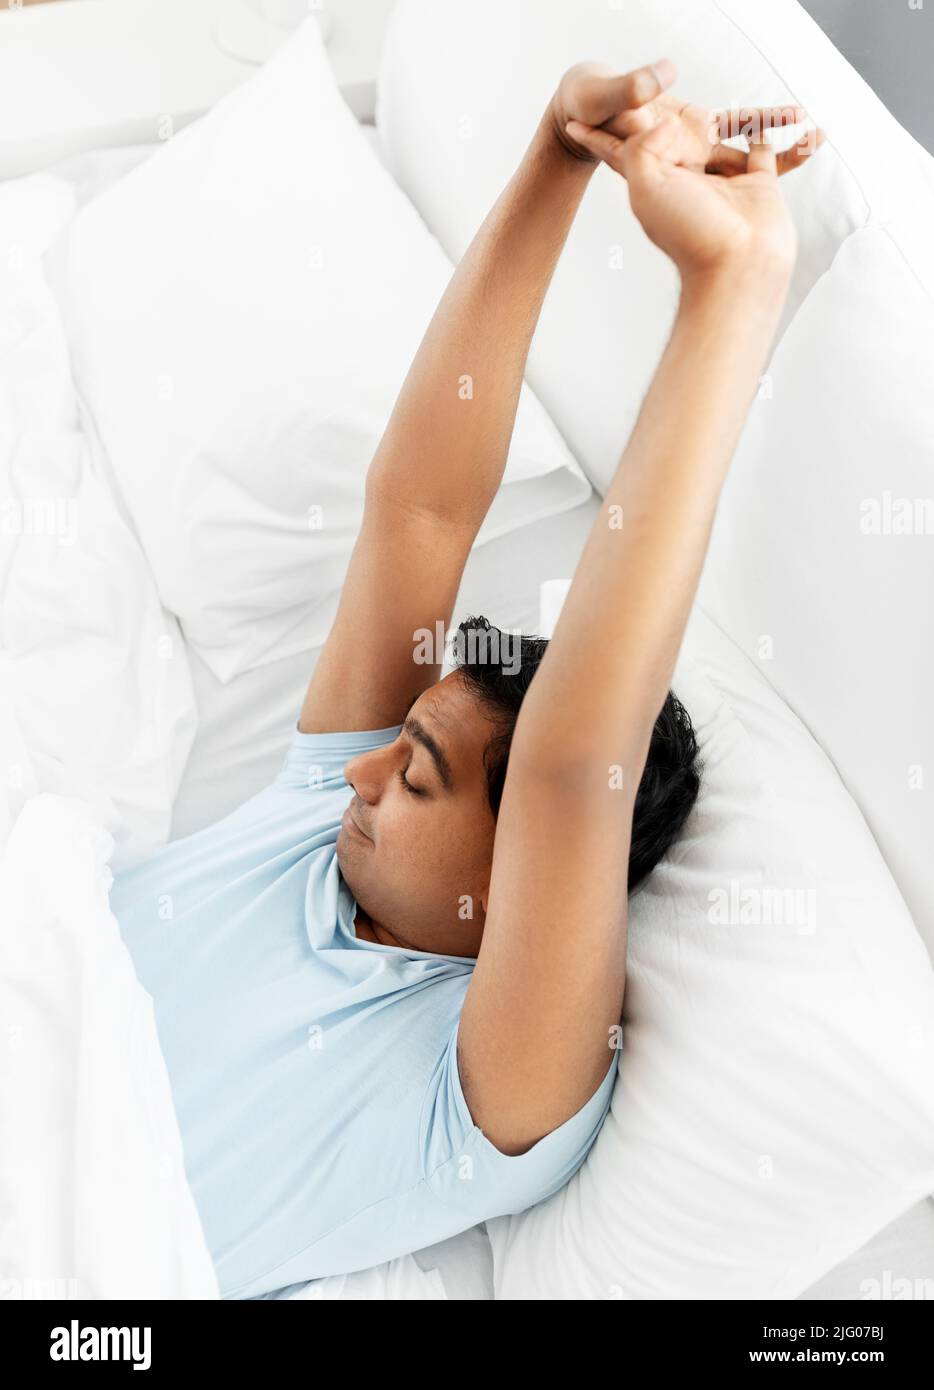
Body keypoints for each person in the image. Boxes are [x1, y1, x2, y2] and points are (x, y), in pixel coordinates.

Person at [110, 58, 823, 1299]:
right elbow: (422, 513)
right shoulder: (325, 827)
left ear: (511, 886)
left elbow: (566, 766)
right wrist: (556, 154)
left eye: (420, 774)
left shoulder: (471, 1085)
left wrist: (731, 288)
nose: (367, 766)